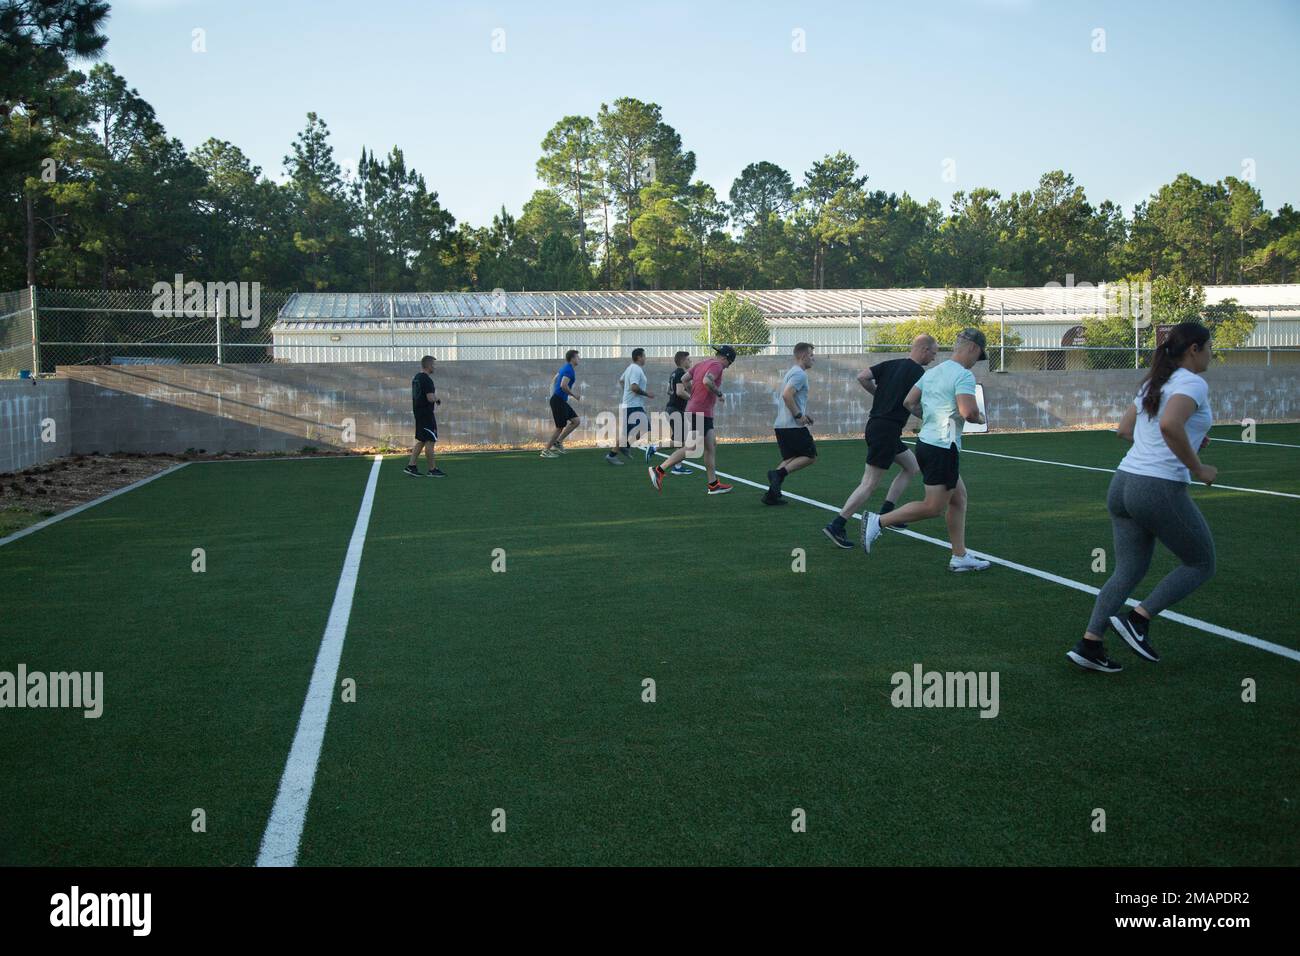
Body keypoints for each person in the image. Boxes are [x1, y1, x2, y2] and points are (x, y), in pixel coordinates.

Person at [1067, 321, 1218, 674]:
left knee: (1129, 568)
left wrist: (1190, 440)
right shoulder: (1192, 382)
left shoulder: (1155, 381)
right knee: (1201, 563)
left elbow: (1125, 431)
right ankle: (1138, 618)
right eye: (1210, 346)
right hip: (1157, 487)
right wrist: (1198, 467)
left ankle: (1090, 643)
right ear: (1194, 349)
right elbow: (1169, 425)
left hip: (1122, 483)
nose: (1212, 353)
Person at [860, 329, 991, 572]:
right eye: (978, 355)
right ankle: (878, 521)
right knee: (934, 507)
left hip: (929, 442)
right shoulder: (963, 376)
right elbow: (968, 412)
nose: (976, 360)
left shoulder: (932, 372)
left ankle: (959, 555)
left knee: (959, 499)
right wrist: (979, 416)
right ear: (973, 348)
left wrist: (930, 417)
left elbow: (909, 402)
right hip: (943, 447)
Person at [823, 335, 937, 546]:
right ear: (923, 349)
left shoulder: (891, 364)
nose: (933, 358)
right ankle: (837, 525)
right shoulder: (919, 374)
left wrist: (879, 394)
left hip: (879, 428)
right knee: (869, 483)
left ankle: (888, 512)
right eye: (933, 353)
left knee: (912, 467)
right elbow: (915, 403)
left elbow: (862, 376)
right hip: (886, 430)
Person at [649, 345, 737, 495]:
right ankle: (659, 470)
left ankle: (713, 484)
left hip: (701, 410)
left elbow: (684, 379)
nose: (728, 367)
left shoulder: (702, 363)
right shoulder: (717, 366)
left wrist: (693, 393)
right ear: (725, 358)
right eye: (729, 363)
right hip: (700, 411)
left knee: (711, 445)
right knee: (692, 448)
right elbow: (707, 381)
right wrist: (719, 393)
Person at [764, 342, 818, 505]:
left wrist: (803, 414)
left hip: (782, 425)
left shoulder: (792, 372)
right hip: (792, 426)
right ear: (802, 356)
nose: (813, 358)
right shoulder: (799, 374)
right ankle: (778, 475)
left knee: (790, 458)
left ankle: (771, 495)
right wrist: (798, 415)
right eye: (811, 355)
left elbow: (791, 397)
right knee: (810, 456)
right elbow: (787, 395)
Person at [608, 347, 656, 466]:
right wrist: (647, 394)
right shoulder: (635, 369)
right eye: (644, 356)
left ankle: (624, 447)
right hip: (632, 405)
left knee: (642, 429)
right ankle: (611, 455)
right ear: (639, 357)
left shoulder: (630, 368)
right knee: (637, 430)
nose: (645, 358)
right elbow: (634, 387)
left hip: (632, 404)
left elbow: (621, 380)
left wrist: (626, 393)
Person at [404, 355, 445, 477]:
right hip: (426, 415)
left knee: (421, 440)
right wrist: (437, 399)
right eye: (433, 364)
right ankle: (432, 469)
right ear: (428, 365)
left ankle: (411, 466)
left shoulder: (416, 378)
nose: (434, 367)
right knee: (430, 440)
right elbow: (430, 397)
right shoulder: (427, 379)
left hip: (418, 413)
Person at [541, 349, 581, 458]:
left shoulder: (565, 368)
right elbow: (563, 385)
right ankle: (546, 451)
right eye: (577, 357)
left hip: (559, 400)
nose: (579, 359)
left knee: (576, 421)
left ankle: (558, 442)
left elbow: (554, 380)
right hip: (558, 400)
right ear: (572, 358)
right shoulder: (569, 370)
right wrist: (574, 395)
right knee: (560, 427)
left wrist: (553, 394)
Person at [662, 351, 694, 476]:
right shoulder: (681, 373)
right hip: (675, 409)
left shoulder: (673, 373)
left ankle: (678, 466)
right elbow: (680, 392)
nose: (690, 361)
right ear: (682, 361)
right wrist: (693, 399)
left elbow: (668, 391)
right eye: (688, 359)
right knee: (682, 441)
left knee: (680, 439)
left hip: (672, 408)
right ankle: (655, 448)